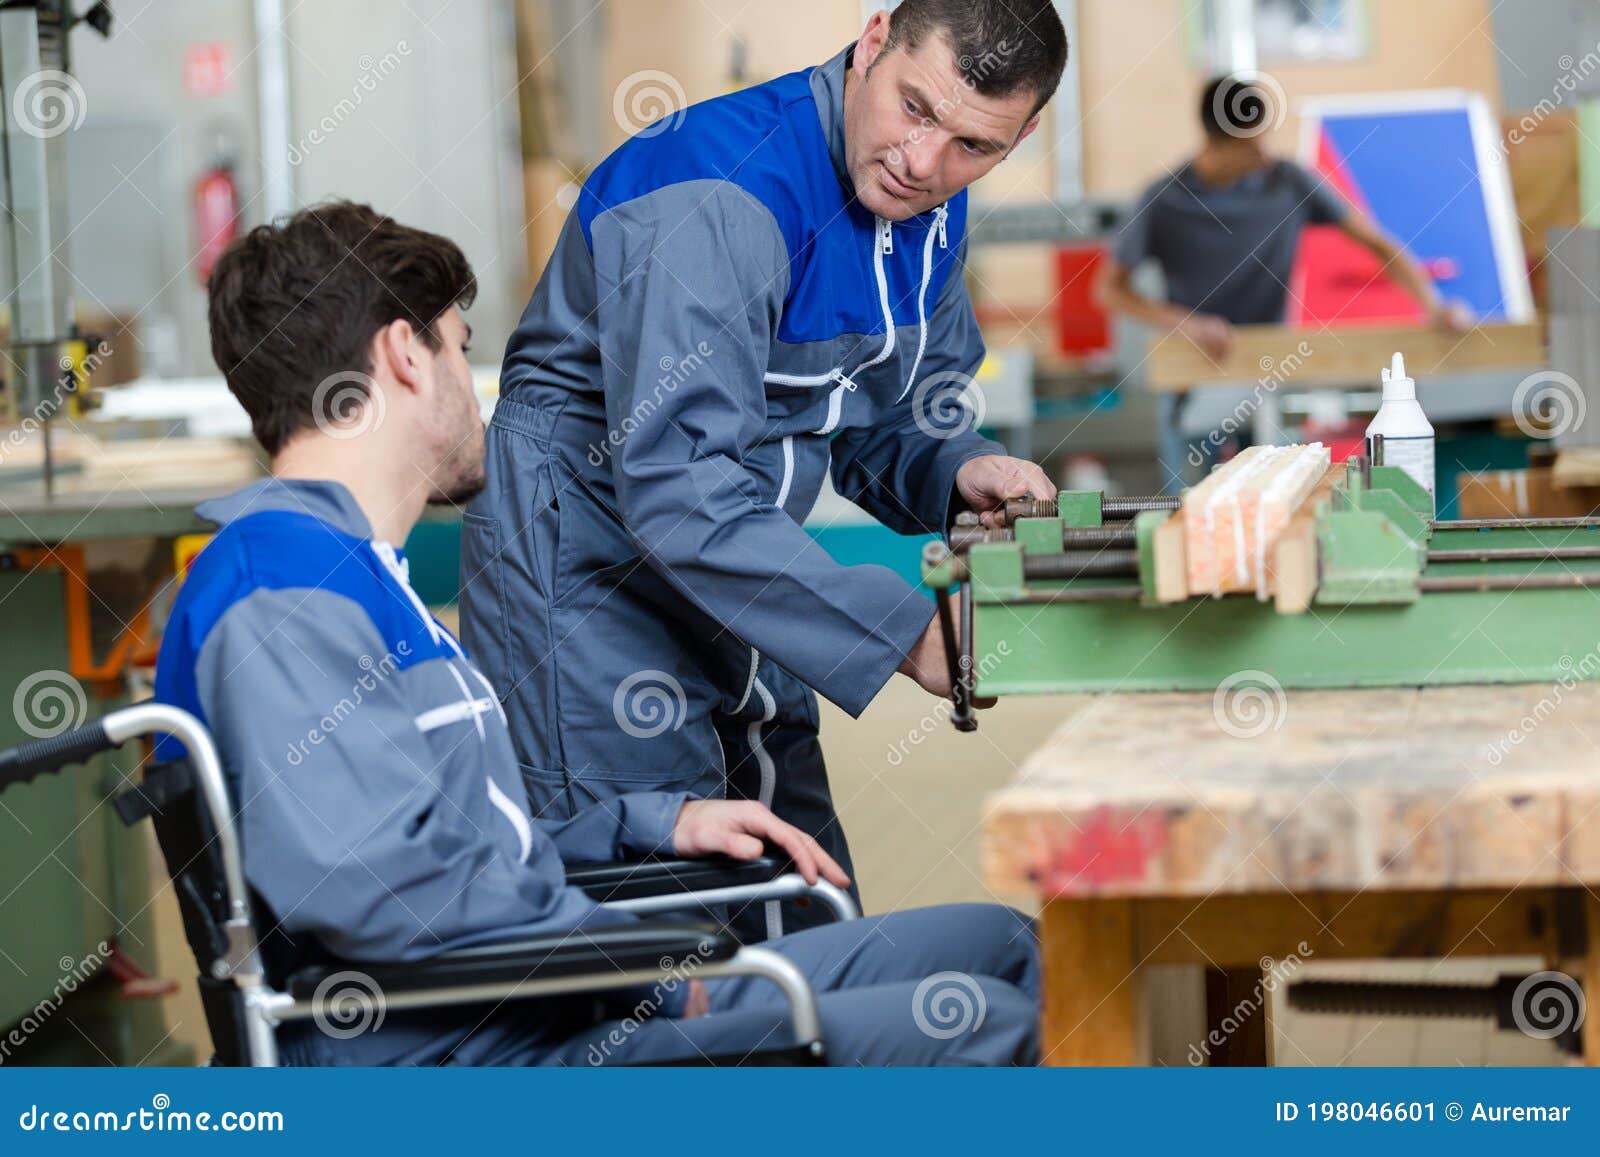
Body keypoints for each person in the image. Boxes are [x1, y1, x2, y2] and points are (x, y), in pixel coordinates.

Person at [153, 201, 1039, 1066]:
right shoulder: (282, 594)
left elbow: (459, 846)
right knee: (983, 1025)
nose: (476, 393)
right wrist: (621, 961)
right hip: (485, 1048)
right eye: (462, 350)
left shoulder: (353, 577)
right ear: (403, 356)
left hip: (543, 999)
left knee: (1006, 945)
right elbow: (378, 891)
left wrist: (649, 820)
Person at [461, 0, 1069, 941]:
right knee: (666, 949)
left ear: (1019, 136)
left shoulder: (930, 211)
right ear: (873, 42)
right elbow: (680, 486)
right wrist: (906, 633)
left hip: (747, 570)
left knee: (803, 908)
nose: (923, 160)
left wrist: (963, 467)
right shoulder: (717, 192)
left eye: (973, 146)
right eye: (914, 107)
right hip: (591, 582)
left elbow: (884, 415)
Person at [1096, 75, 1472, 487]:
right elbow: (1109, 289)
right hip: (1195, 378)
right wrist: (1189, 325)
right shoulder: (1164, 199)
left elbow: (1380, 245)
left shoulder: (1288, 182)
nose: (1264, 154)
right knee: (1194, 506)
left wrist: (1435, 308)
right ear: (1217, 140)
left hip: (1271, 375)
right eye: (1252, 144)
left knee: (1280, 493)